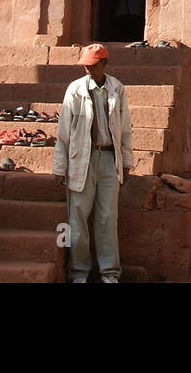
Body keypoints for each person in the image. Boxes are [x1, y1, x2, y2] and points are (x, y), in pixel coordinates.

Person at [52, 43, 134, 282]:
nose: (87, 69)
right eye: (85, 65)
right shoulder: (75, 89)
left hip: (109, 158)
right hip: (82, 160)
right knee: (77, 218)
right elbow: (64, 131)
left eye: (92, 65)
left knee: (107, 218)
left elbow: (125, 128)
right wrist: (60, 166)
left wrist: (126, 162)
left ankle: (110, 273)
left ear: (104, 64)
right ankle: (79, 273)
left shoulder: (116, 88)